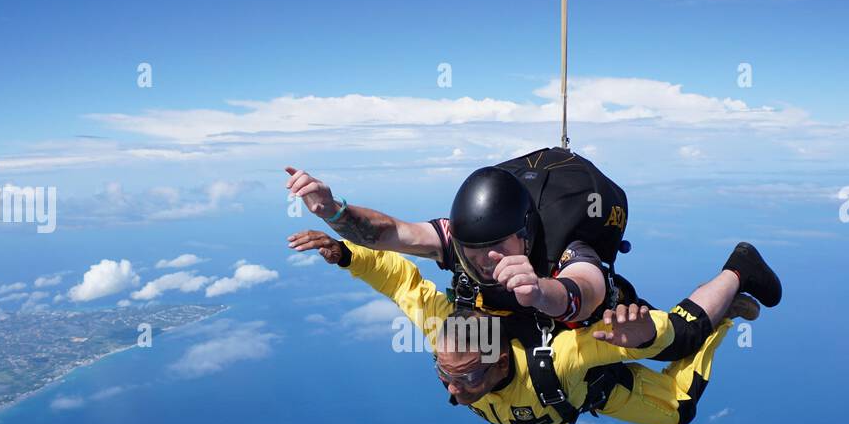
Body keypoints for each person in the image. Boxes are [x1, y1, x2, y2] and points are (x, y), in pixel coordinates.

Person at [288, 229, 779, 424]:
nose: (454, 394)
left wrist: (645, 333)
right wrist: (346, 253)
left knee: (679, 408)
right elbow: (398, 279)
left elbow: (655, 337)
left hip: (597, 388)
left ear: (502, 359)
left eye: (465, 379)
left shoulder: (562, 360)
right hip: (555, 407)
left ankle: (737, 273)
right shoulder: (451, 333)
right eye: (445, 375)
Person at [286, 149, 679, 349]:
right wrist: (333, 211)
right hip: (517, 318)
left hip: (570, 306)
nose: (486, 263)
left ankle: (734, 283)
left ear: (525, 232)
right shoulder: (459, 239)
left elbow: (586, 288)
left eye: (497, 249)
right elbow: (391, 233)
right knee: (479, 342)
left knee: (668, 343)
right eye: (472, 255)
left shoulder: (562, 238)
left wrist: (543, 292)